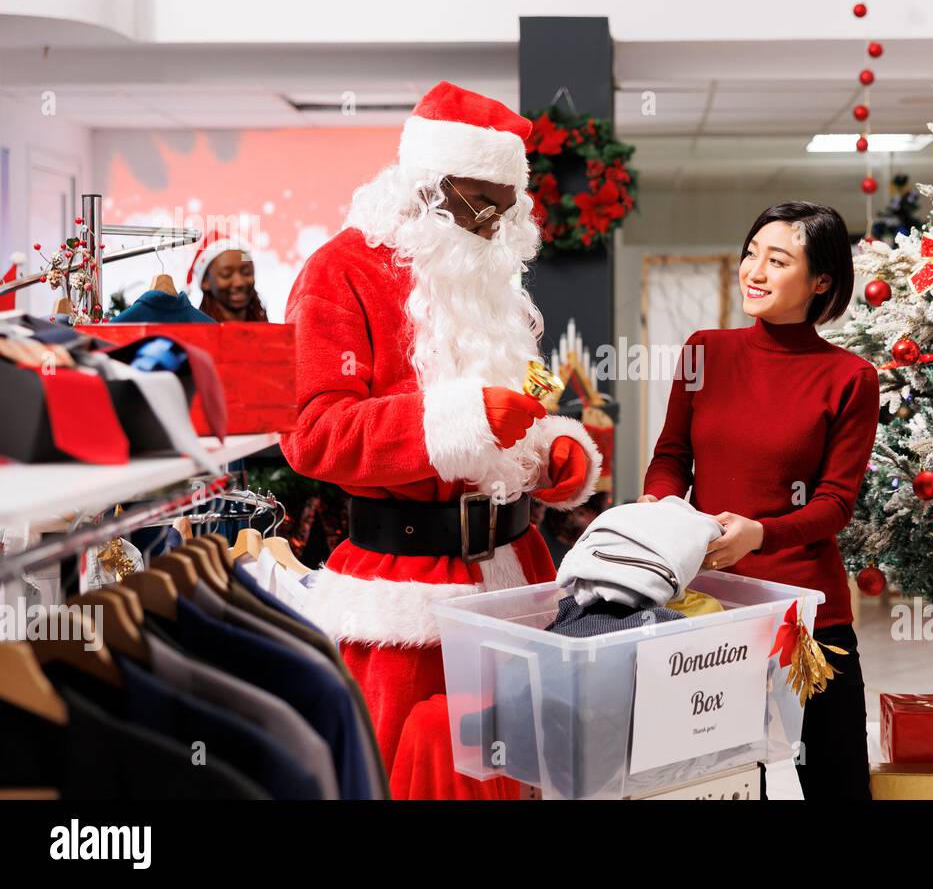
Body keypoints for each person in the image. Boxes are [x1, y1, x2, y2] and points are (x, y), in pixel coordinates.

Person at [280, 81, 601, 799]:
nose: (493, 225)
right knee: (403, 778)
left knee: (522, 775)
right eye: (477, 202)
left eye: (505, 207)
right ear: (424, 186)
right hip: (402, 596)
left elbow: (525, 394)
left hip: (518, 578)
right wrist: (456, 419)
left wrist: (550, 452)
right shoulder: (340, 272)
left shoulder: (490, 277)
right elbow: (314, 434)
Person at [641, 201, 879, 799]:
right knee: (710, 785)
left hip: (806, 620)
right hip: (706, 610)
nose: (755, 270)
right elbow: (671, 458)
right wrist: (663, 512)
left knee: (832, 783)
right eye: (752, 254)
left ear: (820, 281)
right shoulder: (705, 352)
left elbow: (835, 504)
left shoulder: (849, 377)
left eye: (778, 260)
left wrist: (762, 534)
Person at [187, 228, 269, 322]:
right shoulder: (195, 333)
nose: (239, 283)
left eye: (246, 273)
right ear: (205, 281)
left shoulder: (269, 332)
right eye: (226, 275)